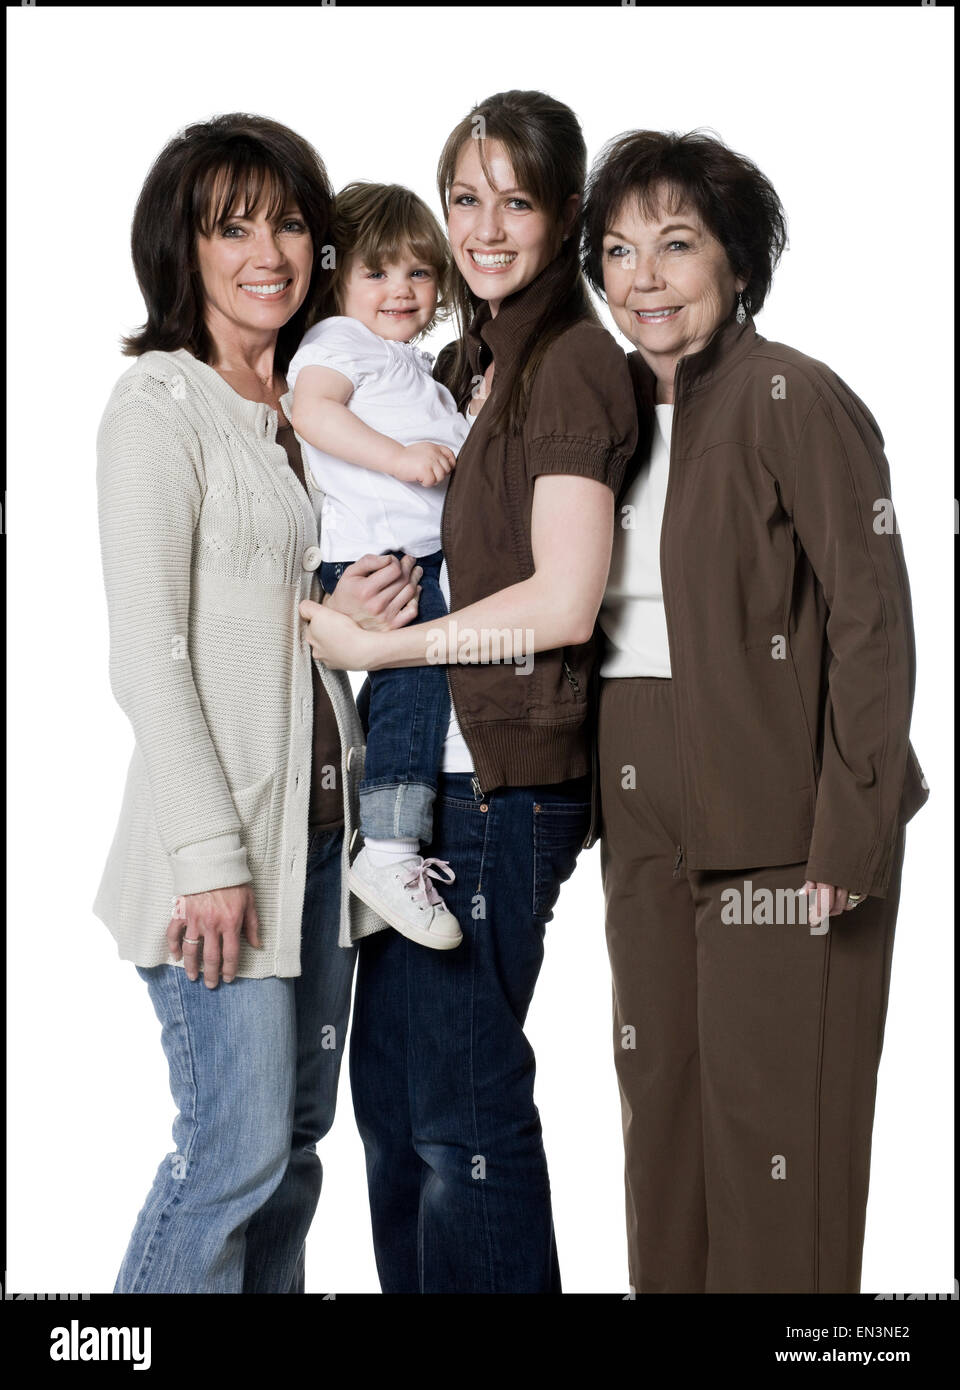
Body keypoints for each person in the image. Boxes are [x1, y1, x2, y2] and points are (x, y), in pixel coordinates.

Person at [579, 127, 930, 1293]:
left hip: (787, 824)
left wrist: (852, 829)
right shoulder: (610, 417)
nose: (645, 277)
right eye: (620, 252)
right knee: (663, 1124)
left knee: (782, 1144)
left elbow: (874, 621)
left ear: (737, 261)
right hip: (645, 823)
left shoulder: (794, 397)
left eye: (676, 245)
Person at [301, 89, 638, 1293]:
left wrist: (384, 649)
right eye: (463, 198)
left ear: (565, 212)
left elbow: (560, 603)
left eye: (516, 199)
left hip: (499, 786)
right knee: (391, 1111)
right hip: (418, 788)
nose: (484, 227)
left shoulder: (573, 363)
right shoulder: (455, 365)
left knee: (461, 1115)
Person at [93, 112, 413, 1293]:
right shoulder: (161, 407)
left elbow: (286, 630)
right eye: (233, 226)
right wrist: (207, 852)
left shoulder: (304, 415)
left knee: (289, 1154)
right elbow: (148, 654)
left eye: (287, 221)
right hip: (217, 856)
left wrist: (353, 611)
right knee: (226, 1157)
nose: (267, 249)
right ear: (187, 246)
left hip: (321, 848)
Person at [289, 182, 475, 950]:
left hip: (415, 551)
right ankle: (392, 849)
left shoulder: (409, 363)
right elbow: (313, 413)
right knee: (415, 678)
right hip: (376, 554)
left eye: (419, 273)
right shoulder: (338, 343)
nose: (401, 289)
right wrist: (399, 457)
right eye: (378, 271)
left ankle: (384, 845)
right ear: (337, 279)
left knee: (415, 686)